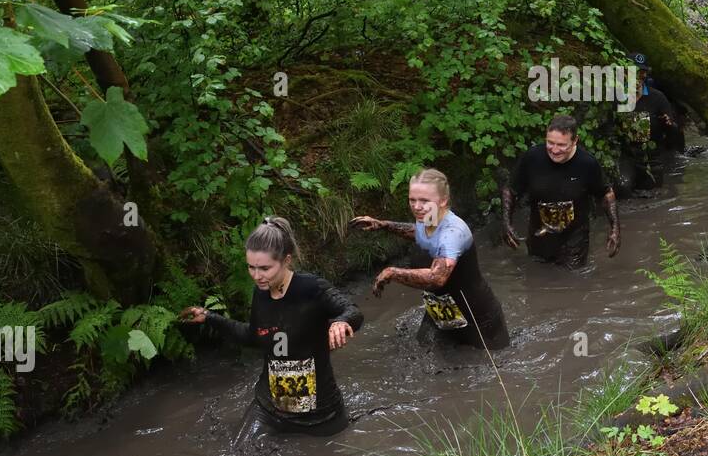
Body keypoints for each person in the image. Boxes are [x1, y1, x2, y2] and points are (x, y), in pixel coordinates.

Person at [179, 216, 362, 436]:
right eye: (251, 267)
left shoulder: (312, 288)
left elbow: (354, 311)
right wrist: (210, 317)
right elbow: (253, 336)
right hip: (270, 408)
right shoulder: (261, 293)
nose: (257, 276)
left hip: (319, 414)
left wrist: (341, 322)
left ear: (286, 260)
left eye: (265, 268)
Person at [352, 168, 509, 351]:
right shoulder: (429, 217)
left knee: (487, 371)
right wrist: (383, 225)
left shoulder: (453, 233)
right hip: (441, 311)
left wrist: (392, 272)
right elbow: (421, 233)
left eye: (424, 201)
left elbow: (437, 278)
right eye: (412, 200)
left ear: (443, 200)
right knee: (423, 359)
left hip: (478, 318)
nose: (417, 206)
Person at [502, 114, 619, 268]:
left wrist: (615, 229)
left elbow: (606, 194)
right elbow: (510, 190)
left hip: (574, 238)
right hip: (539, 235)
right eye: (550, 143)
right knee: (536, 277)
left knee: (572, 280)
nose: (555, 150)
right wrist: (506, 222)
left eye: (562, 145)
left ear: (575, 140)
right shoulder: (532, 158)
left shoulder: (587, 163)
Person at [612, 61, 679, 195]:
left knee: (653, 192)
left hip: (652, 158)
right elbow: (608, 127)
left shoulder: (657, 97)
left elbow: (674, 132)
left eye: (642, 72)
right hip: (625, 156)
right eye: (634, 72)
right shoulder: (616, 97)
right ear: (624, 73)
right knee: (623, 186)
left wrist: (669, 125)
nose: (638, 76)